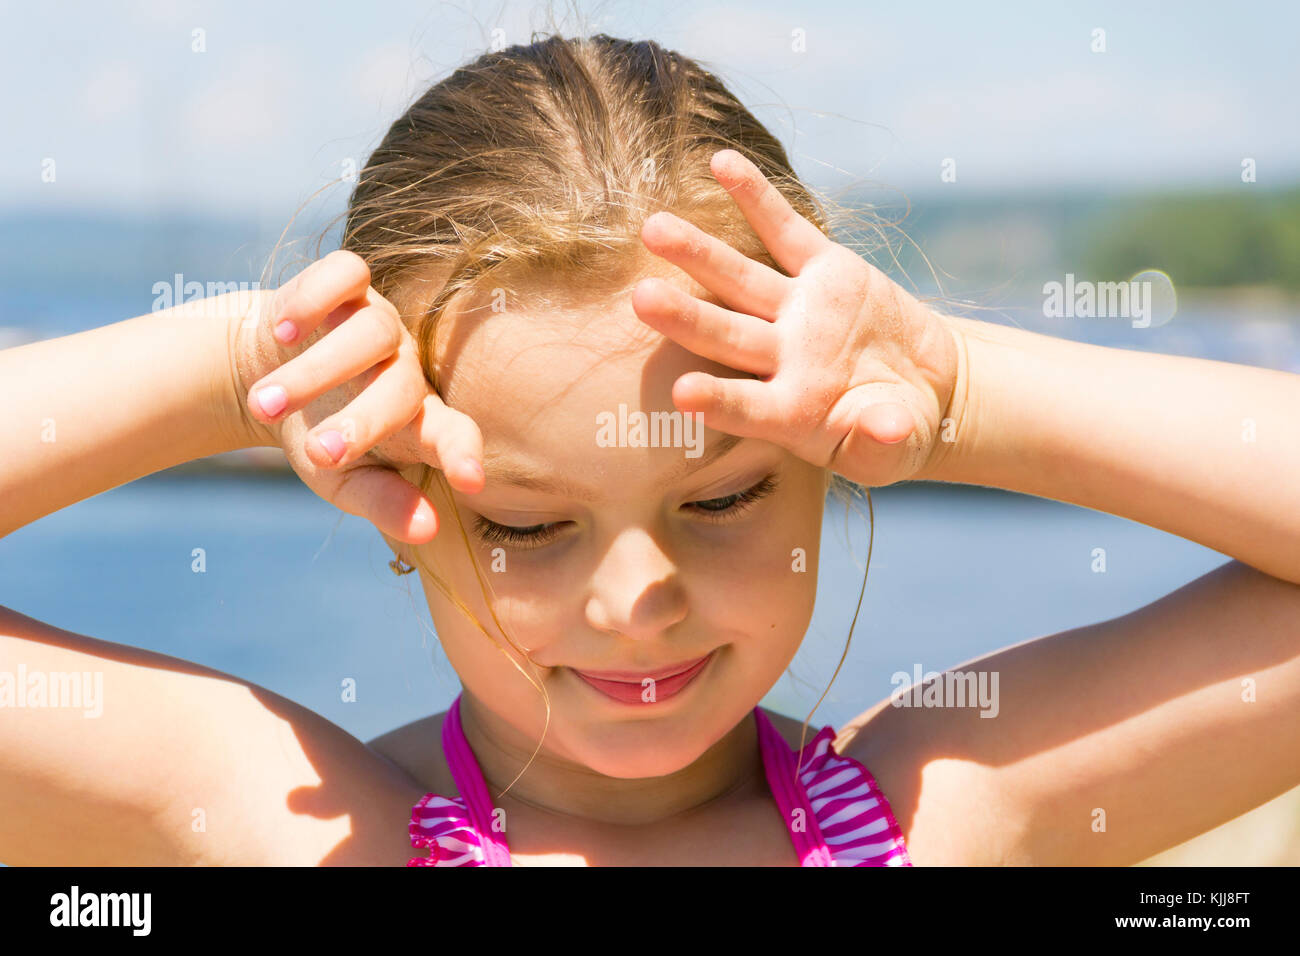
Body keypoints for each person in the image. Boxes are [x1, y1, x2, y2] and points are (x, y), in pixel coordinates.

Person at [2, 34, 1298, 866]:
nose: (638, 603)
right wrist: (250, 365)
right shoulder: (317, 836)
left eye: (724, 495)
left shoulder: (944, 812)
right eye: (526, 523)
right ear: (395, 499)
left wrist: (960, 391)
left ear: (833, 466)